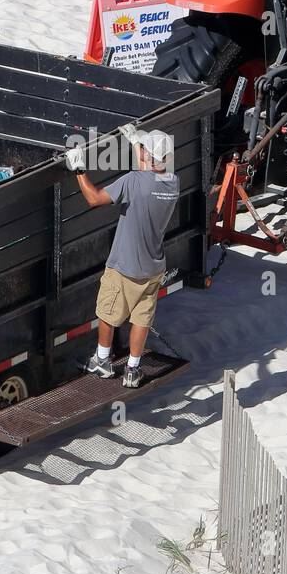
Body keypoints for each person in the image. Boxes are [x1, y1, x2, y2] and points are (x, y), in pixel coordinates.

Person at [66, 127, 179, 388]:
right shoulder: (173, 182)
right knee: (141, 317)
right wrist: (137, 143)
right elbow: (149, 167)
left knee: (108, 311)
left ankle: (102, 361)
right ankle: (132, 370)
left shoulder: (133, 182)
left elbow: (93, 199)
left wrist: (79, 170)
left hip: (125, 266)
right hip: (153, 267)